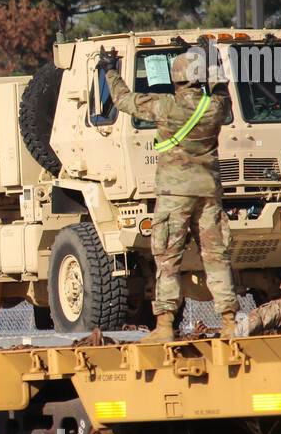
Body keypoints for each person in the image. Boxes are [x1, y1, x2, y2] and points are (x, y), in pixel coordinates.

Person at [100, 43, 239, 341]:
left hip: (174, 193)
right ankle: (229, 322)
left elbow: (124, 100)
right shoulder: (215, 107)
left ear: (175, 78)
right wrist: (214, 65)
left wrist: (109, 70)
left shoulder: (165, 106)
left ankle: (164, 326)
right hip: (208, 191)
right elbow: (223, 93)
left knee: (167, 259)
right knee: (216, 257)